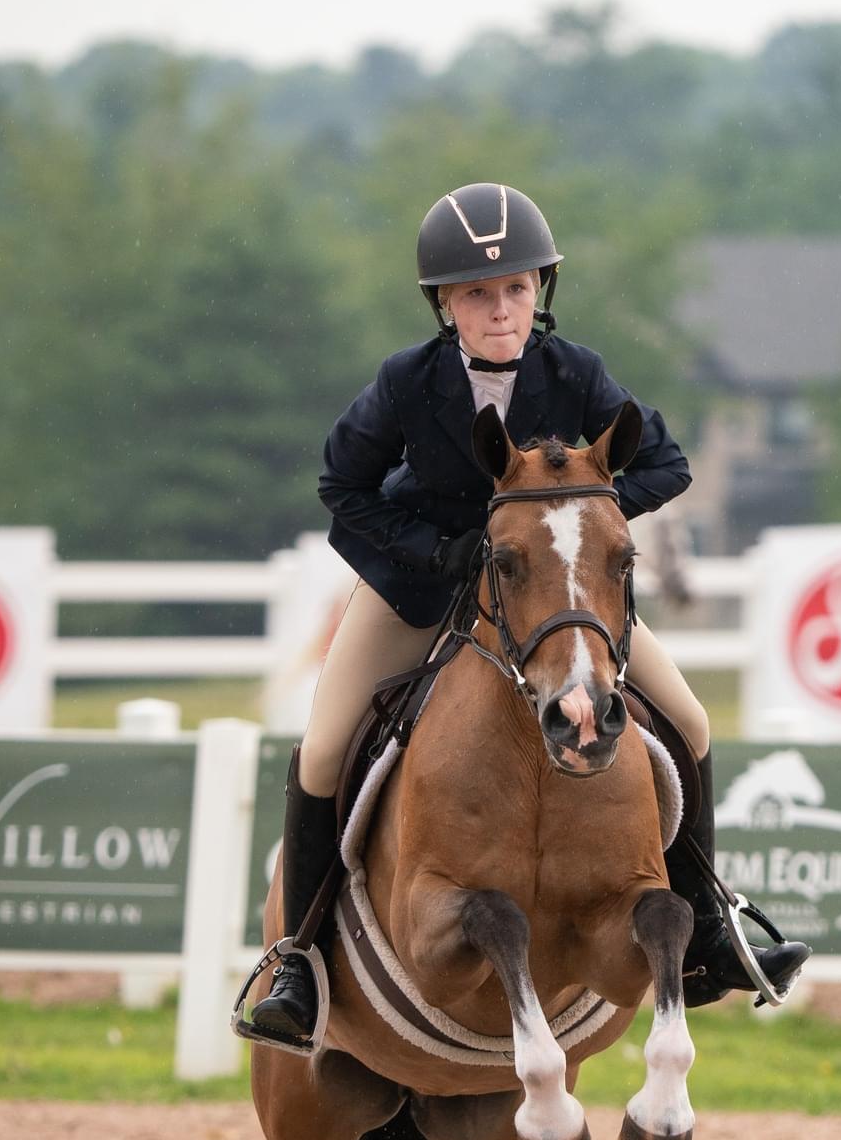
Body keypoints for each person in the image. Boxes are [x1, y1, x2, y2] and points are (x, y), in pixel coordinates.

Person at [251, 182, 808, 1045]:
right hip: (421, 589)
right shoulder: (407, 382)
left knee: (690, 721)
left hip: (554, 599)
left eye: (515, 288)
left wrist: (580, 512)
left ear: (539, 290)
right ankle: (298, 961)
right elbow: (342, 488)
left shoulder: (573, 373)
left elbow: (668, 464)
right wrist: (437, 551)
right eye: (478, 293)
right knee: (324, 746)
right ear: (446, 303)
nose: (500, 309)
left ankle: (708, 929)